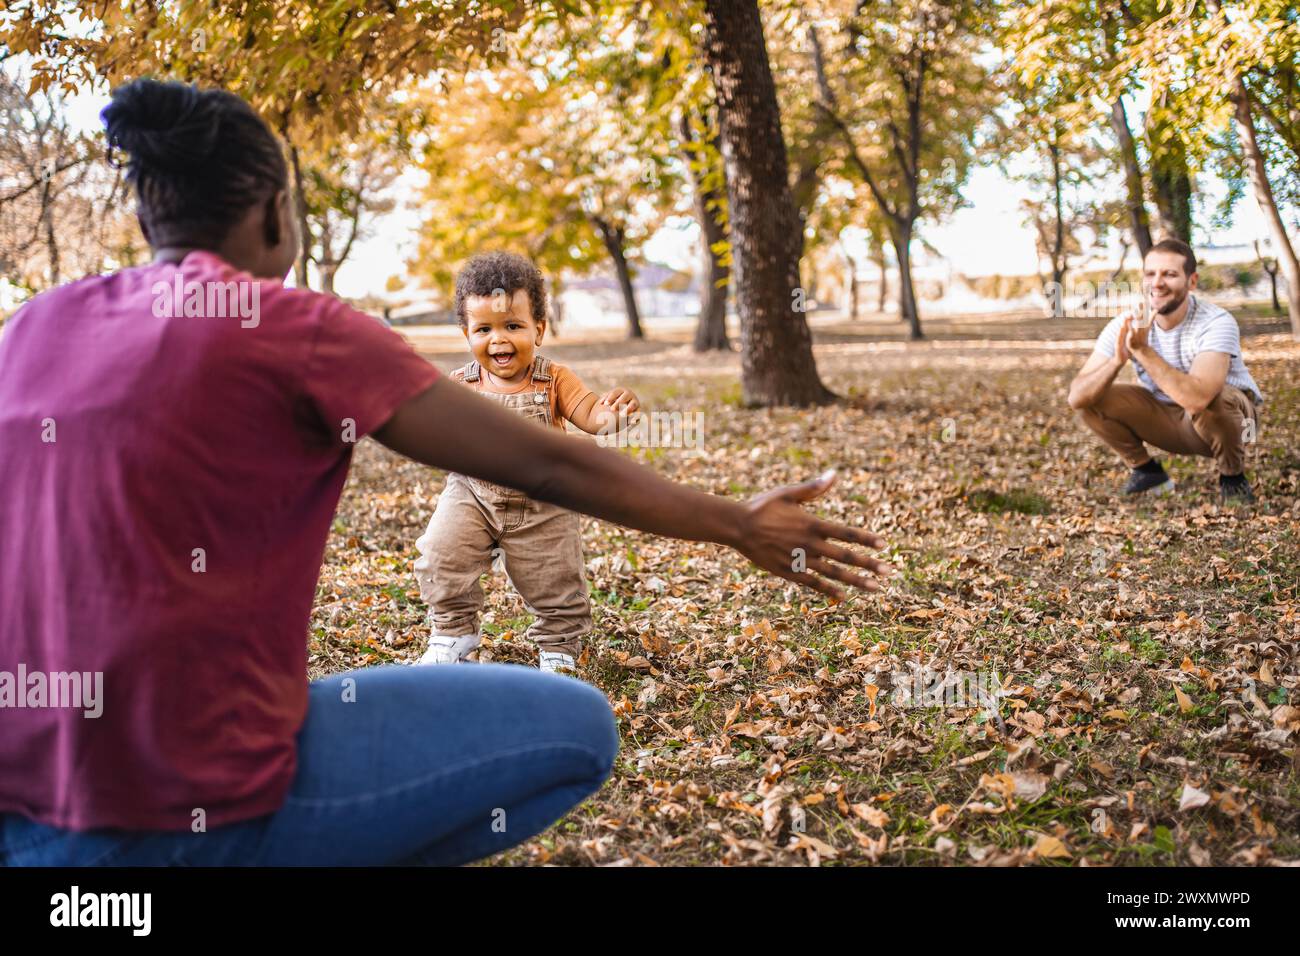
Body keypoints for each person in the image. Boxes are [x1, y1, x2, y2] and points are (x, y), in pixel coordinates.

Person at [0, 79, 891, 866]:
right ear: (276, 213)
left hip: (18, 809)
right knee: (579, 726)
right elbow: (540, 462)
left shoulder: (34, 327)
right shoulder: (290, 325)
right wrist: (739, 523)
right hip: (186, 813)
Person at [413, 252, 639, 675]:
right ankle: (453, 632)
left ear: (539, 329)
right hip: (473, 496)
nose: (498, 339)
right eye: (484, 329)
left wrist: (614, 415)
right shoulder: (459, 386)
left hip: (543, 504)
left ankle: (558, 646)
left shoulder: (553, 379)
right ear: (466, 333)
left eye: (512, 326)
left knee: (556, 579)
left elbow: (591, 416)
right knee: (439, 556)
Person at [1067, 238, 1263, 504]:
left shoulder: (1216, 322)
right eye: (1150, 273)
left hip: (1233, 425)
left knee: (1215, 398)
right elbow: (1076, 398)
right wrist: (1116, 361)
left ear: (1191, 282)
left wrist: (1142, 350)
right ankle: (1147, 472)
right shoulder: (1125, 323)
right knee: (1093, 397)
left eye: (1169, 274)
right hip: (1168, 420)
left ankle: (1233, 478)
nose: (1157, 283)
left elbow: (1198, 399)